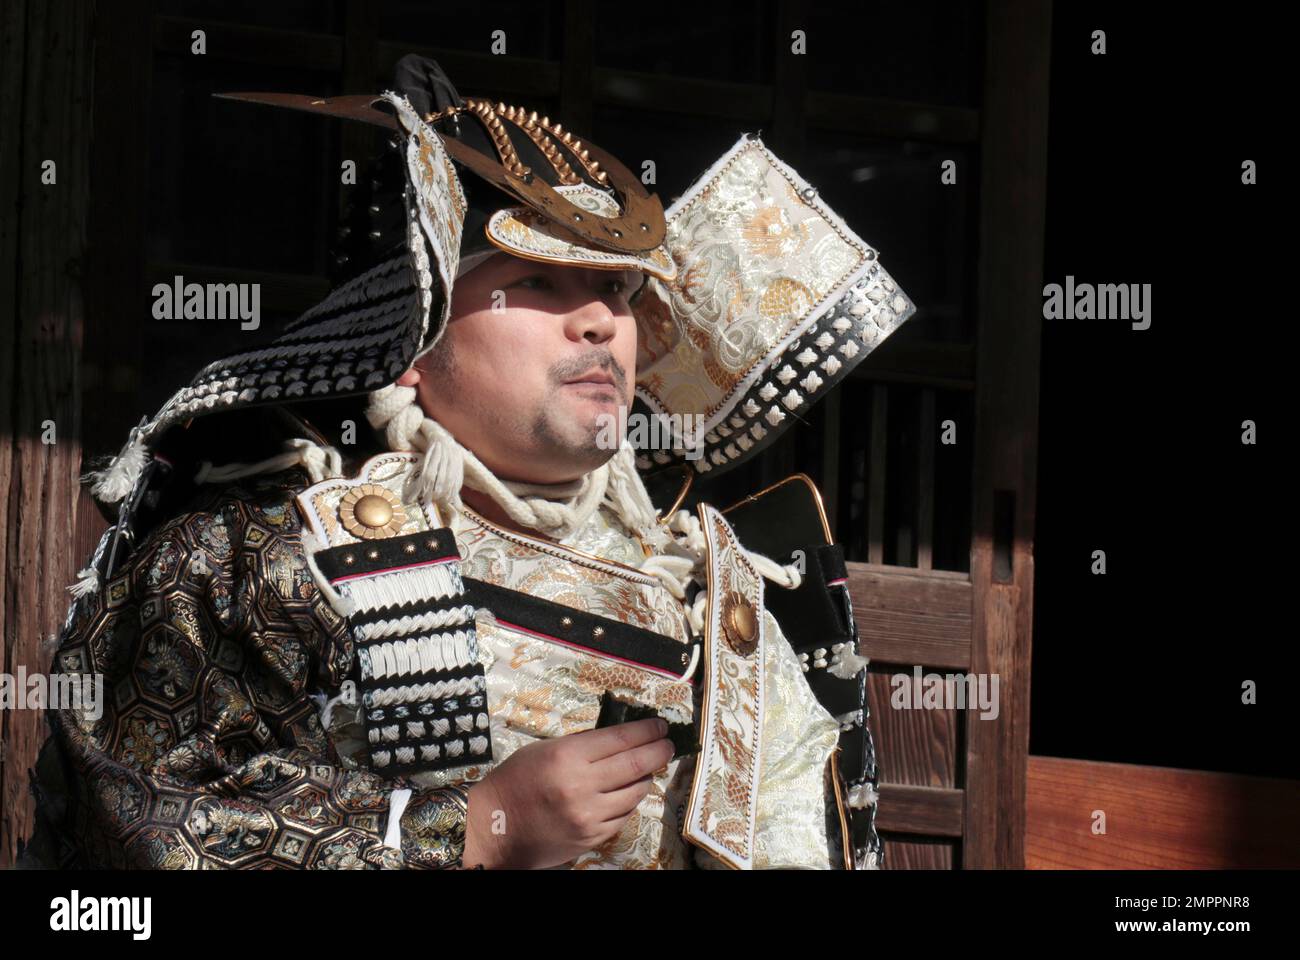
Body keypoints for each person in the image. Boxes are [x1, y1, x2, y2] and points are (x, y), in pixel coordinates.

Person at [24, 56, 912, 870]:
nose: (601, 321)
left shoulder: (709, 593)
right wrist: (479, 828)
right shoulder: (260, 552)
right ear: (413, 334)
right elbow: (136, 834)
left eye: (618, 289)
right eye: (535, 282)